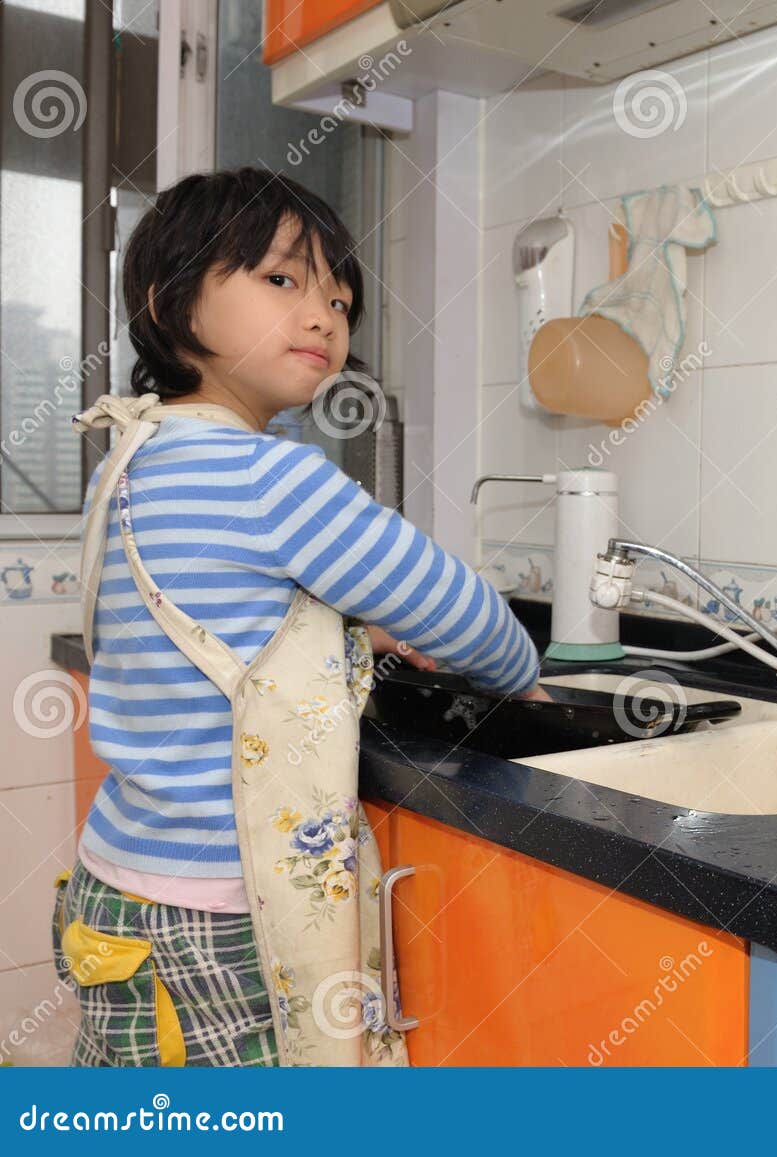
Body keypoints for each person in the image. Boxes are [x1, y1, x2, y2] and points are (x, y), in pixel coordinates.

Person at [52, 166, 545, 1067]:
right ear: (170, 304)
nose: (322, 315)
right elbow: (466, 614)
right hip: (229, 912)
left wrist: (360, 634)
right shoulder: (275, 477)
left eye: (339, 297)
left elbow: (217, 613)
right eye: (283, 280)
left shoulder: (127, 460)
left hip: (116, 884)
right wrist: (523, 672)